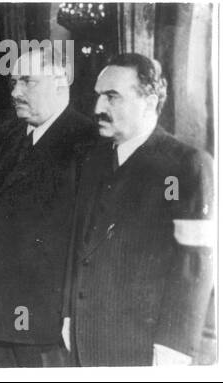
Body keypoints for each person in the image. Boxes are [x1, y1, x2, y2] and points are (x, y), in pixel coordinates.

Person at [0, 49, 98, 368]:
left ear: (61, 83)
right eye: (14, 82)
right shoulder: (10, 139)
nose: (16, 92)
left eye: (28, 82)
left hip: (46, 321)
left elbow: (87, 242)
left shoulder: (88, 142)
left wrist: (72, 314)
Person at [69, 53, 212, 366]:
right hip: (84, 342)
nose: (97, 108)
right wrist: (69, 317)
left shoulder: (187, 165)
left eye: (112, 97)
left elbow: (194, 266)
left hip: (144, 350)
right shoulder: (93, 161)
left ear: (148, 100)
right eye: (98, 96)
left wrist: (172, 350)